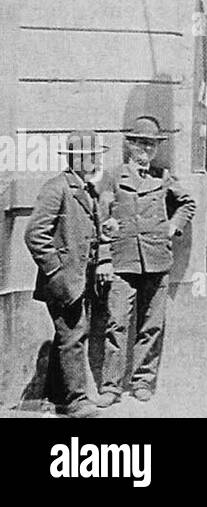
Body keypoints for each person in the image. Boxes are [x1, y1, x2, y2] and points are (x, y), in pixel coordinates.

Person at [96, 118, 195, 404]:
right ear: (129, 145)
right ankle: (111, 386)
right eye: (141, 143)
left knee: (152, 324)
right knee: (117, 323)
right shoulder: (113, 177)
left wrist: (172, 227)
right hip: (123, 259)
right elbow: (102, 219)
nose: (146, 149)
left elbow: (188, 203)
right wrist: (104, 259)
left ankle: (143, 380)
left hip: (156, 259)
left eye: (151, 144)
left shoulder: (163, 177)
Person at [24, 133, 114, 417]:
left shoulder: (87, 189)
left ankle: (55, 397)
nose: (98, 160)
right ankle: (75, 402)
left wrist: (105, 232)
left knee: (69, 335)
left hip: (80, 279)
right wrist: (57, 273)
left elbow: (86, 232)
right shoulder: (56, 188)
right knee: (73, 335)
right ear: (78, 158)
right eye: (93, 156)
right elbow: (35, 235)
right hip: (64, 281)